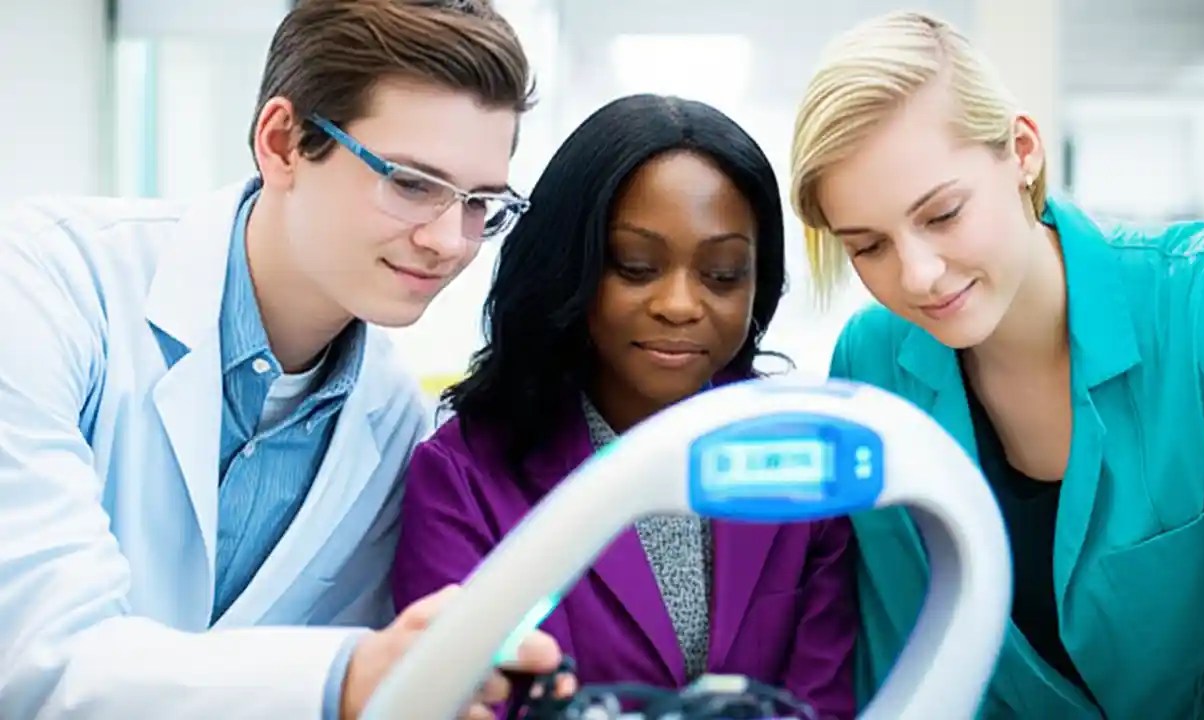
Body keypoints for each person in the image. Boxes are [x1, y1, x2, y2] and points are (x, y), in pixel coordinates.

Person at [0, 1, 572, 718]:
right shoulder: (46, 284)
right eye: (412, 183)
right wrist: (349, 678)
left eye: (479, 203)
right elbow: (35, 657)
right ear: (281, 142)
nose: (450, 242)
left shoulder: (393, 417)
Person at [788, 9, 1204, 720]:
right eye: (869, 247)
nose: (919, 275)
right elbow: (911, 672)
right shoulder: (871, 365)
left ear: (1022, 152)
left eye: (943, 214)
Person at [391, 93, 858, 718]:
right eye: (636, 267)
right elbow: (457, 700)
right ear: (569, 268)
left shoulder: (806, 461)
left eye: (722, 275)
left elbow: (826, 700)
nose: (680, 304)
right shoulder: (461, 480)